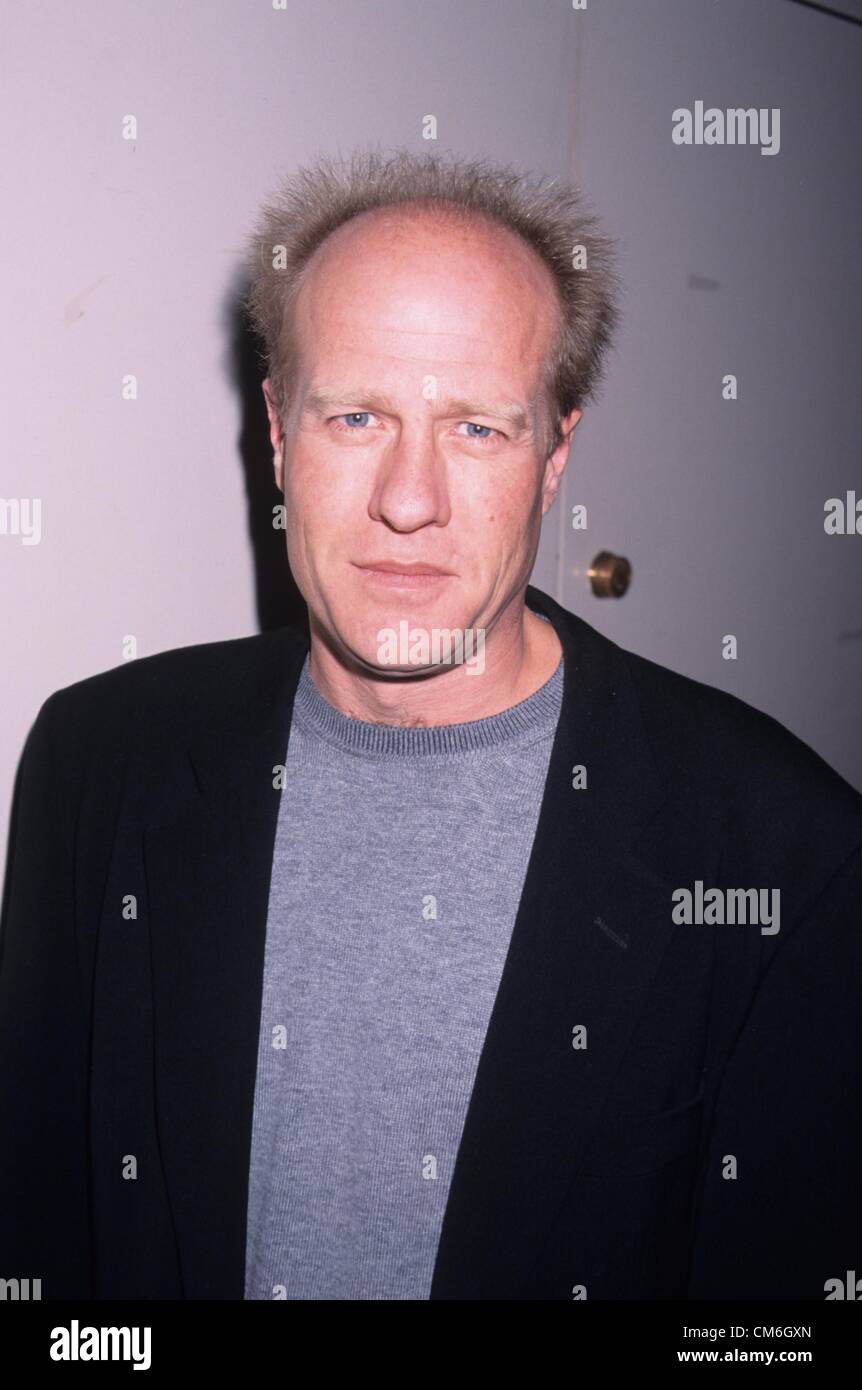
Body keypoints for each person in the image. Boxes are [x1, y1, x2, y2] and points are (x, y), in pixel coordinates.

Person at [1, 149, 860, 1301]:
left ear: (556, 456)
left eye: (477, 430)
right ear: (277, 433)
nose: (409, 501)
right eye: (356, 416)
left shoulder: (783, 849)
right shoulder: (95, 759)